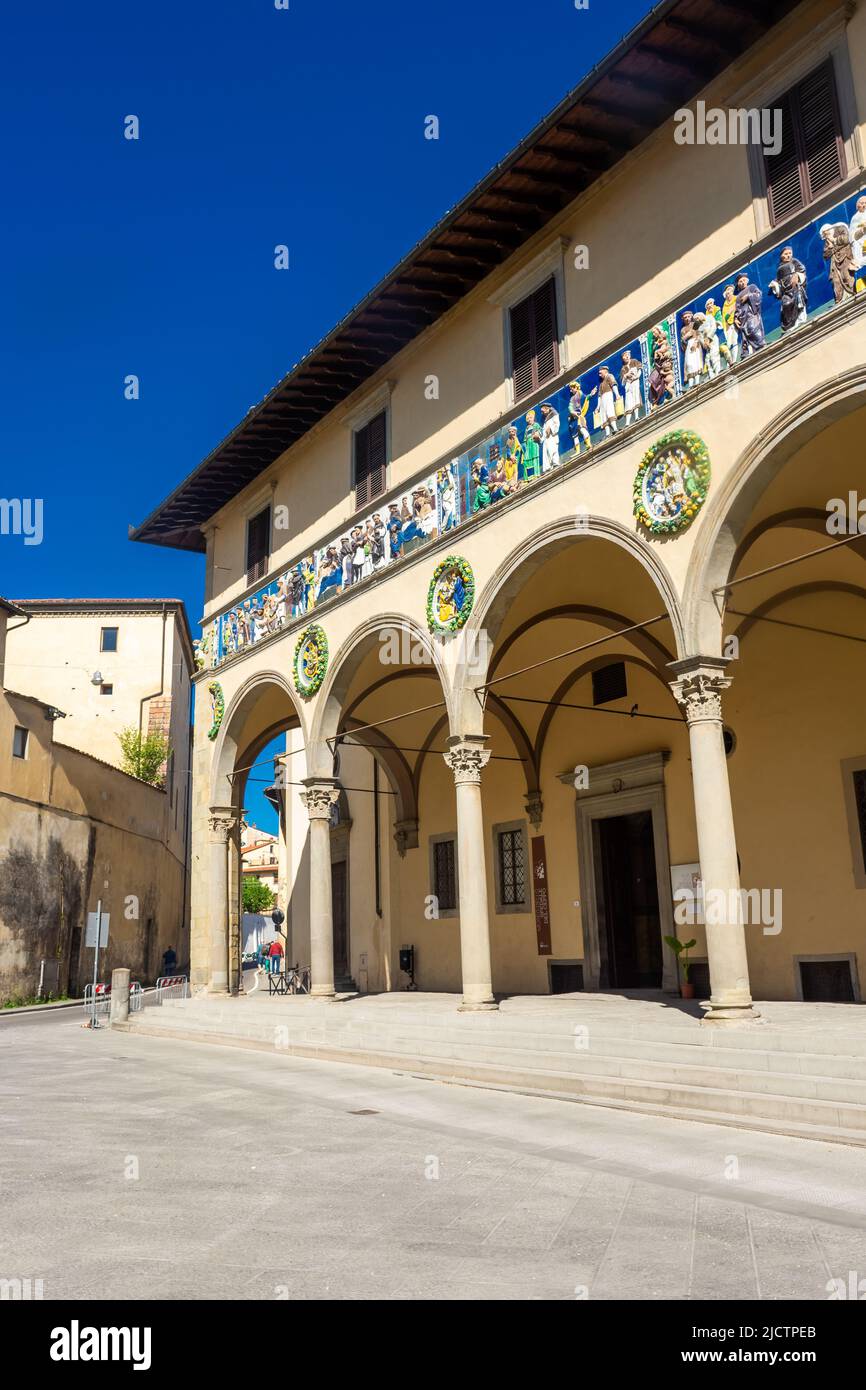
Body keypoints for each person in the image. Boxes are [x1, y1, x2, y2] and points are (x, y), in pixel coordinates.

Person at [768, 246, 808, 333]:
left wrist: (797, 275)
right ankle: (791, 324)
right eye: (786, 254)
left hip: (795, 288)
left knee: (798, 303)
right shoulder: (779, 268)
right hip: (786, 291)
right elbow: (778, 280)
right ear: (781, 256)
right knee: (786, 304)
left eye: (790, 253)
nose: (788, 255)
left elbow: (802, 270)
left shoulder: (794, 261)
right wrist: (774, 285)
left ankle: (800, 320)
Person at [822, 222, 856, 303]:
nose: (825, 237)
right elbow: (825, 255)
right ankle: (840, 299)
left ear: (827, 230)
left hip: (845, 257)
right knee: (836, 281)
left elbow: (847, 239)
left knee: (847, 276)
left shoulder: (840, 228)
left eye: (825, 234)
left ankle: (852, 294)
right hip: (835, 264)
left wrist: (834, 242)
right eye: (824, 236)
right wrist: (831, 246)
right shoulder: (827, 240)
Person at [734, 273, 765, 357]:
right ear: (738, 284)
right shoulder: (738, 297)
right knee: (745, 334)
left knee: (753, 329)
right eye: (740, 281)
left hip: (752, 315)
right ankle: (749, 351)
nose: (742, 282)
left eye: (743, 280)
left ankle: (760, 346)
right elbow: (737, 309)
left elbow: (758, 295)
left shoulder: (752, 287)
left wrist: (748, 296)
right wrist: (736, 318)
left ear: (747, 281)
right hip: (743, 319)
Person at [567, 381, 595, 453]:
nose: (571, 390)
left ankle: (588, 444)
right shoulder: (572, 398)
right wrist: (572, 412)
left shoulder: (580, 394)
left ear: (576, 387)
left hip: (579, 416)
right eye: (570, 389)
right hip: (574, 418)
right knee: (575, 435)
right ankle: (577, 451)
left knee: (583, 429)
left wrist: (591, 395)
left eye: (572, 389)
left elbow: (585, 398)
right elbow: (570, 407)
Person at [619, 352, 643, 425]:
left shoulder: (634, 361)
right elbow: (623, 382)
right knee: (628, 402)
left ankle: (636, 417)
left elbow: (639, 370)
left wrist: (637, 376)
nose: (626, 357)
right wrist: (626, 375)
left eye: (627, 356)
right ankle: (627, 423)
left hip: (635, 382)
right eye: (624, 356)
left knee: (636, 398)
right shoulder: (623, 369)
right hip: (628, 385)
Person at [597, 366, 620, 436]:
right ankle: (607, 433)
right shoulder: (601, 384)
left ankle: (615, 428)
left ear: (605, 371)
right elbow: (599, 396)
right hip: (602, 400)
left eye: (600, 373)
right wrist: (598, 407)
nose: (599, 375)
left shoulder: (609, 376)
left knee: (610, 412)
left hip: (608, 395)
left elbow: (613, 385)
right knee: (603, 416)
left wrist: (617, 394)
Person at [849, 196, 866, 292]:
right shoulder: (855, 218)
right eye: (862, 203)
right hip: (863, 245)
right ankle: (858, 264)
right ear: (857, 206)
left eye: (865, 203)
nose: (864, 205)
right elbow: (853, 237)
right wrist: (863, 230)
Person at [721, 285, 739, 364]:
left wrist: (732, 314)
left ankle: (734, 360)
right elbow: (725, 317)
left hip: (735, 323)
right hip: (727, 326)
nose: (729, 292)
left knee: (734, 341)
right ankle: (729, 362)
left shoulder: (736, 298)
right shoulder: (725, 305)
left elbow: (738, 308)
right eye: (727, 290)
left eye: (731, 290)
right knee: (729, 344)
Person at [540, 401, 561, 471]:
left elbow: (557, 425)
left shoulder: (554, 414)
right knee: (547, 452)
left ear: (547, 409)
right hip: (547, 439)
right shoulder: (545, 419)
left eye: (543, 411)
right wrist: (540, 439)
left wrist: (551, 429)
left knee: (553, 450)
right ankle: (548, 467)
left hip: (552, 437)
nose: (542, 413)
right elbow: (543, 431)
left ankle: (555, 463)